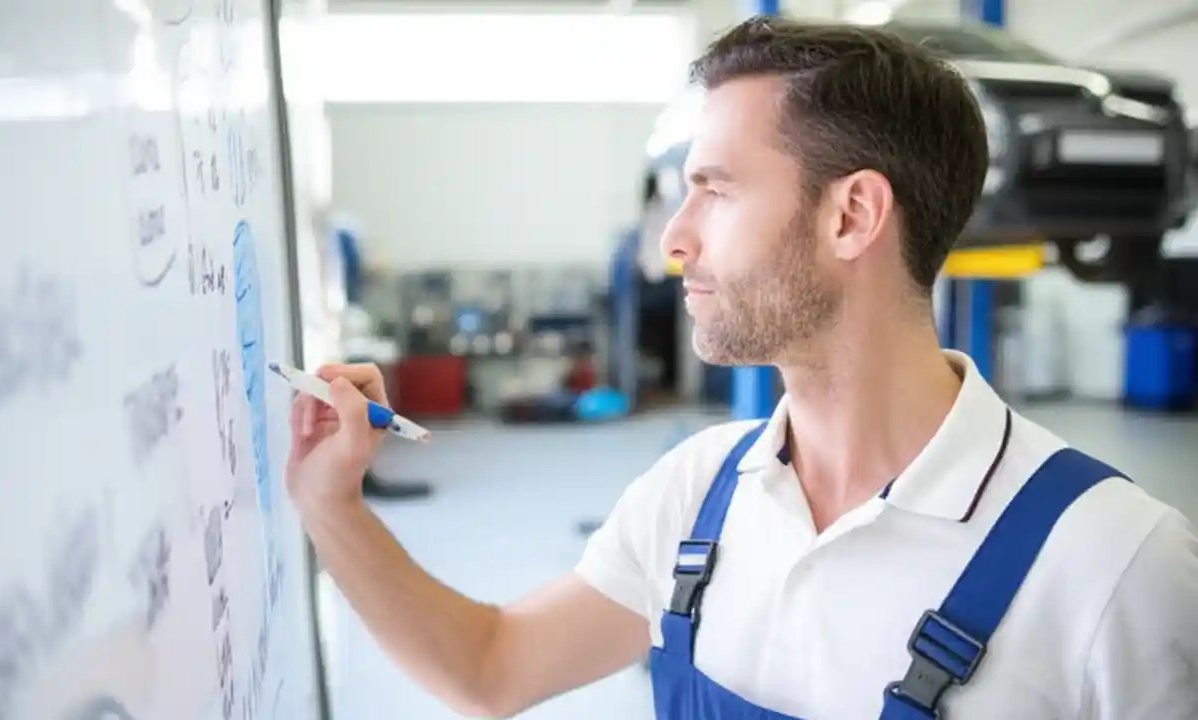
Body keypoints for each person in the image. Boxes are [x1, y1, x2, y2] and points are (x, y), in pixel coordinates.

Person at [283, 19, 1198, 720]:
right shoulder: (695, 495)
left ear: (851, 217)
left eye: (714, 190)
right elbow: (490, 666)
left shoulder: (1117, 563)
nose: (674, 241)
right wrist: (332, 505)